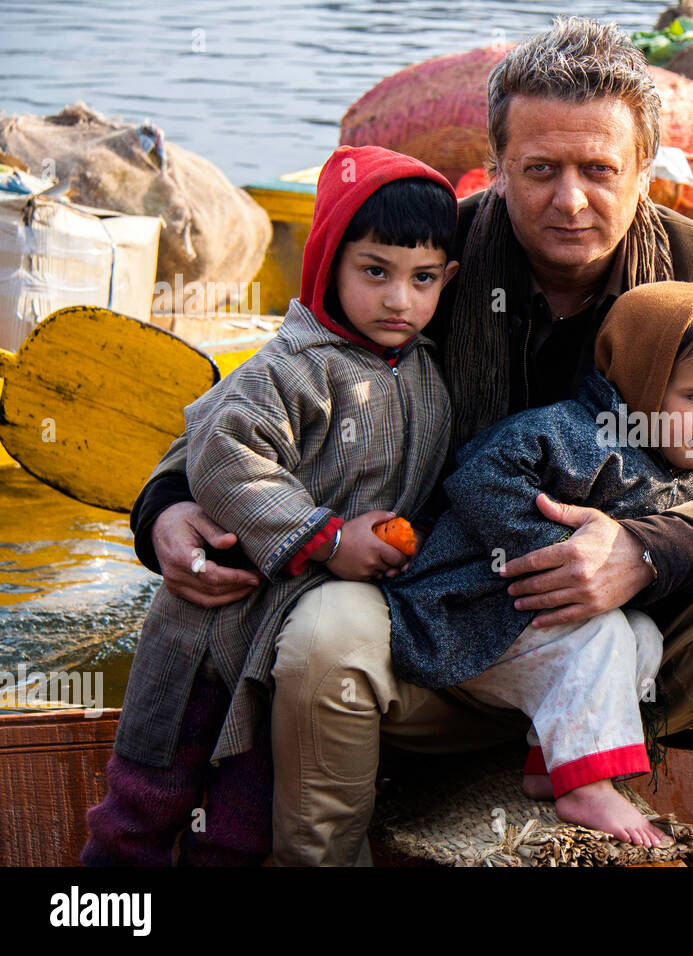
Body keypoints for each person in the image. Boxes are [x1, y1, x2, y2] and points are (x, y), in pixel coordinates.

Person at [130, 17, 693, 867]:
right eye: (539, 170)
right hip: (434, 619)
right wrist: (167, 503)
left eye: (599, 170)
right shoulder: (428, 258)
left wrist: (647, 551)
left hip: (632, 649)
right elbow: (274, 382)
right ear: (498, 166)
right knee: (321, 637)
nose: (569, 200)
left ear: (646, 172)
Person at [83, 145, 459, 865]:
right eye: (373, 271)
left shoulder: (427, 375)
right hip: (208, 632)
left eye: (422, 280)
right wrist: (327, 538)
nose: (398, 301)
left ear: (449, 280)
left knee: (241, 823)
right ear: (325, 263)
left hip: (286, 653)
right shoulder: (287, 369)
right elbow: (224, 464)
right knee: (145, 803)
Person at [385, 282, 693, 846]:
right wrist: (557, 551)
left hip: (533, 624)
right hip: (464, 612)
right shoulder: (575, 435)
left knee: (641, 637)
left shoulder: (688, 473)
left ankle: (553, 760)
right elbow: (477, 478)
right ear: (643, 381)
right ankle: (584, 789)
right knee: (607, 632)